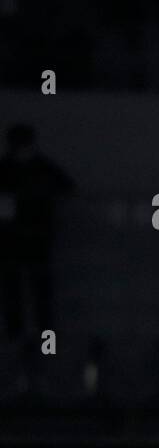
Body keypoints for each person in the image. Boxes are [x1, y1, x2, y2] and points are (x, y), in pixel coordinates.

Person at [0, 124, 75, 339]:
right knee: (29, 287)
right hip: (29, 236)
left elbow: (66, 188)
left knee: (24, 288)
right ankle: (39, 334)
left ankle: (23, 334)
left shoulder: (9, 168)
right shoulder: (42, 168)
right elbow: (67, 188)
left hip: (18, 237)